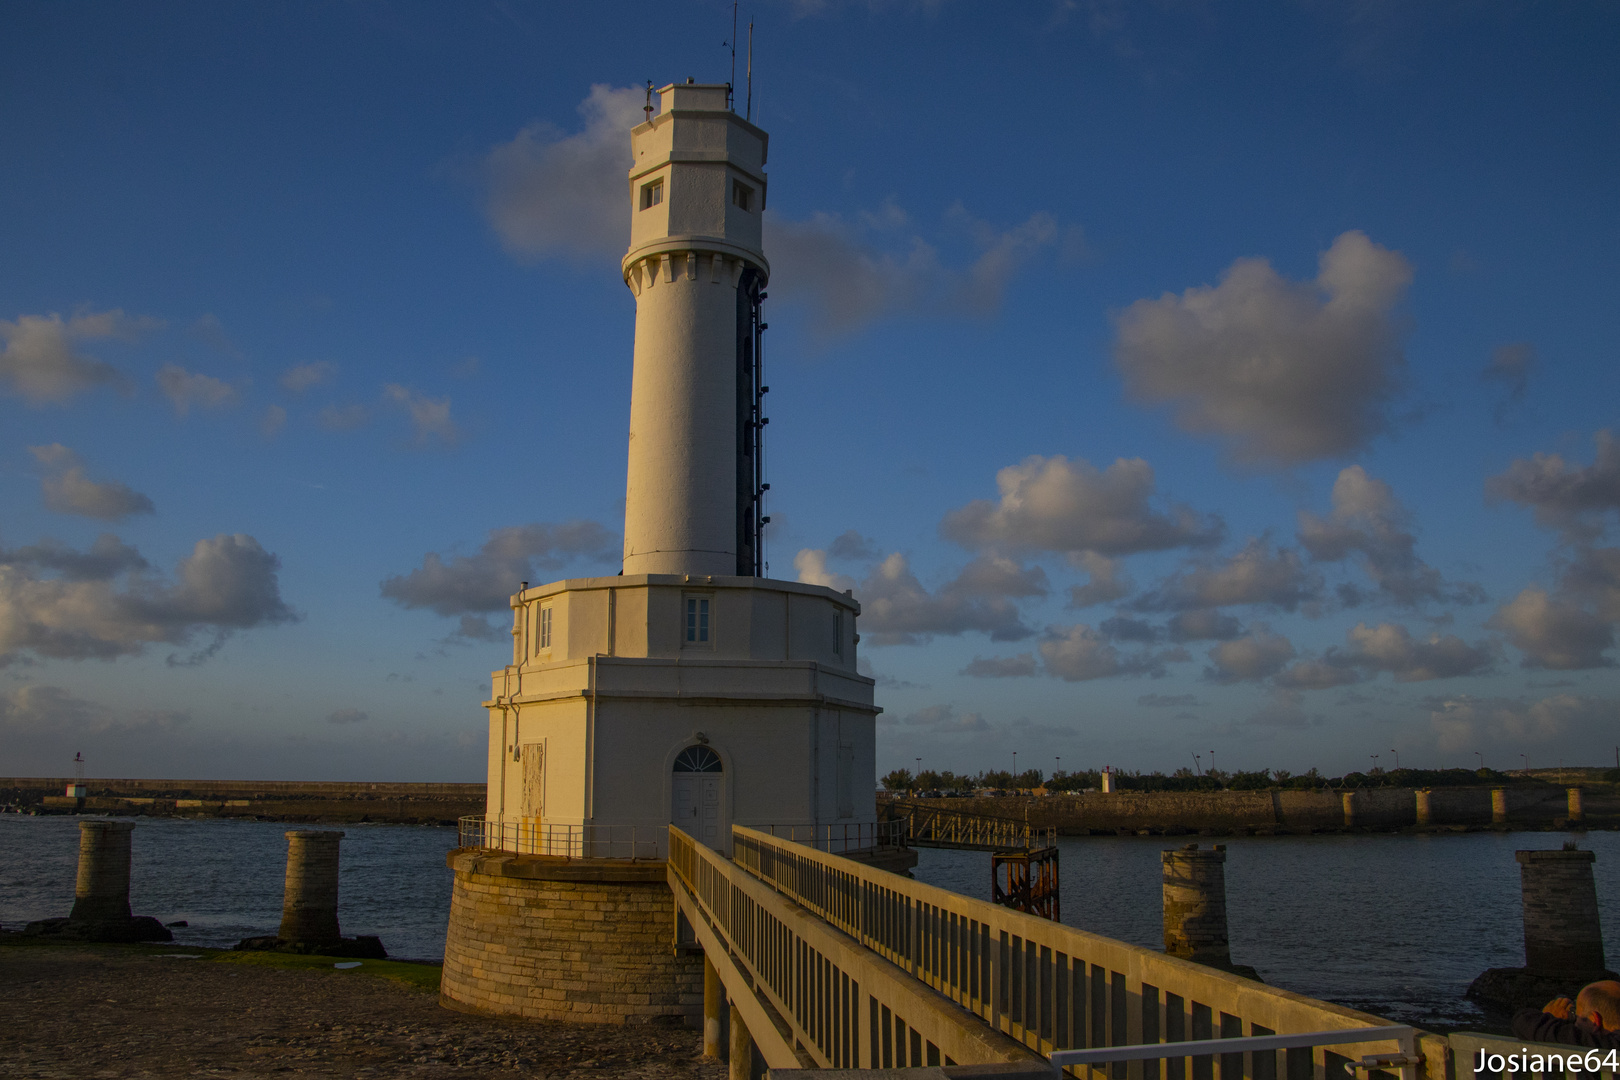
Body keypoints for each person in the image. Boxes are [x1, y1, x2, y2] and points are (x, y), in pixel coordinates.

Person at [1511, 980, 1620, 1050]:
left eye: (1578, 1017)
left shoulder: (1598, 1046)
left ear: (1594, 1020)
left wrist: (1552, 1016)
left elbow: (1523, 1021)